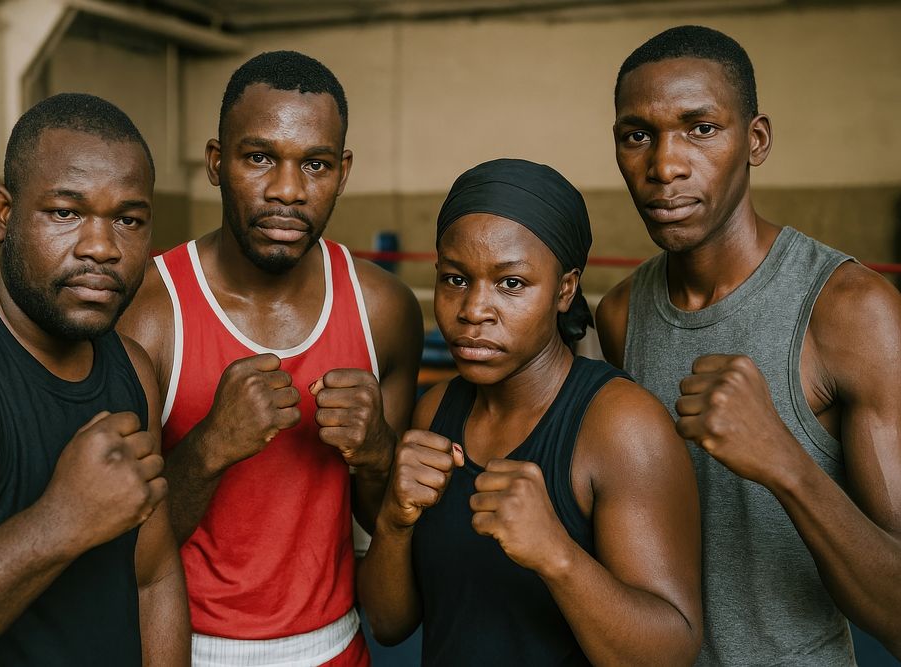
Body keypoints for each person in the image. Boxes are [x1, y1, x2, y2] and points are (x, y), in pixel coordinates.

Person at [597, 25, 901, 664]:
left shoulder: (850, 312)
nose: (665, 165)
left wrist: (784, 460)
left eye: (700, 128)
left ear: (755, 140)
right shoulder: (621, 314)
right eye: (637, 135)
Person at [118, 51, 422, 666]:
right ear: (215, 163)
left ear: (343, 172)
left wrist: (376, 454)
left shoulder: (383, 310)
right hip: (181, 649)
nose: (287, 190)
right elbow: (112, 545)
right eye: (259, 157)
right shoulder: (148, 310)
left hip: (339, 647)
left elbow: (385, 526)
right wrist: (208, 447)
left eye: (315, 164)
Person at [358, 158, 703, 666]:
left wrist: (556, 555)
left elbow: (670, 652)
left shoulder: (620, 426)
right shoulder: (435, 412)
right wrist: (392, 521)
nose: (474, 310)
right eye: (455, 279)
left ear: (565, 290)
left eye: (511, 283)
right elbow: (389, 626)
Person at [0, 93, 190, 665]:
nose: (102, 248)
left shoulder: (132, 368)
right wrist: (58, 525)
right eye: (65, 212)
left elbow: (153, 577)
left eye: (128, 220)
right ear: (4, 214)